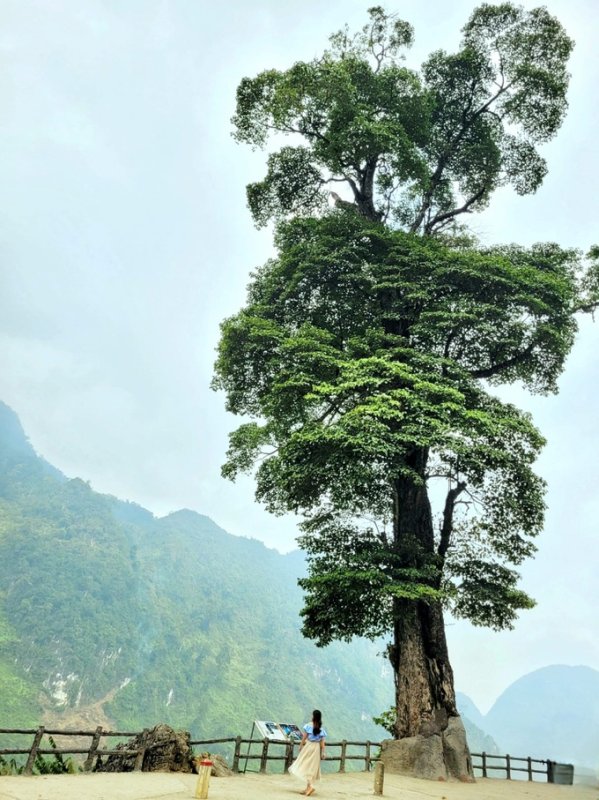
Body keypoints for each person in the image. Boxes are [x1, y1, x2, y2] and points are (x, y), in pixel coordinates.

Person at [289, 709, 327, 796]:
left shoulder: (309, 726)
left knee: (304, 765)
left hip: (309, 746)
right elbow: (322, 742)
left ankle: (310, 786)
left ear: (313, 716)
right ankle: (307, 788)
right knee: (311, 767)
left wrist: (301, 745)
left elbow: (304, 737)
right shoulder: (321, 729)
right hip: (316, 748)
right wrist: (323, 752)